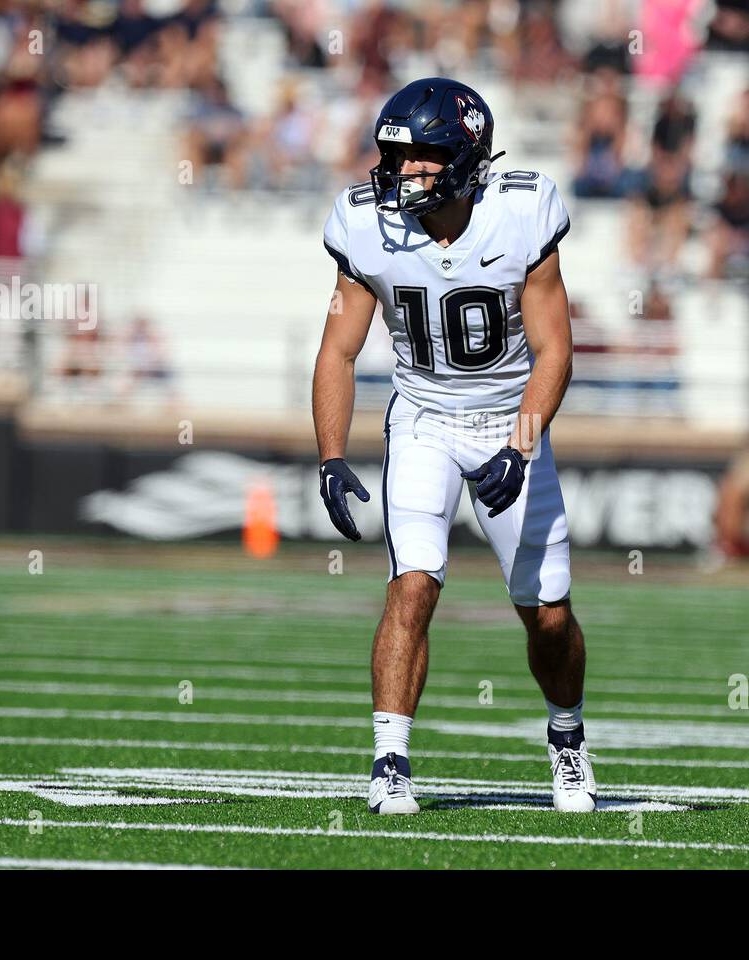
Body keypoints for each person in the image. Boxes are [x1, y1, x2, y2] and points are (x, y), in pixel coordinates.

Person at [312, 78, 595, 815]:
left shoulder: (519, 213)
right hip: (425, 420)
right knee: (414, 585)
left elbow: (555, 350)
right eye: (394, 156)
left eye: (420, 158)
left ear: (464, 156)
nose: (402, 172)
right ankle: (390, 762)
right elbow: (339, 350)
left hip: (509, 416)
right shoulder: (367, 225)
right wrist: (331, 454)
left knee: (548, 612)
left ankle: (567, 739)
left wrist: (520, 446)